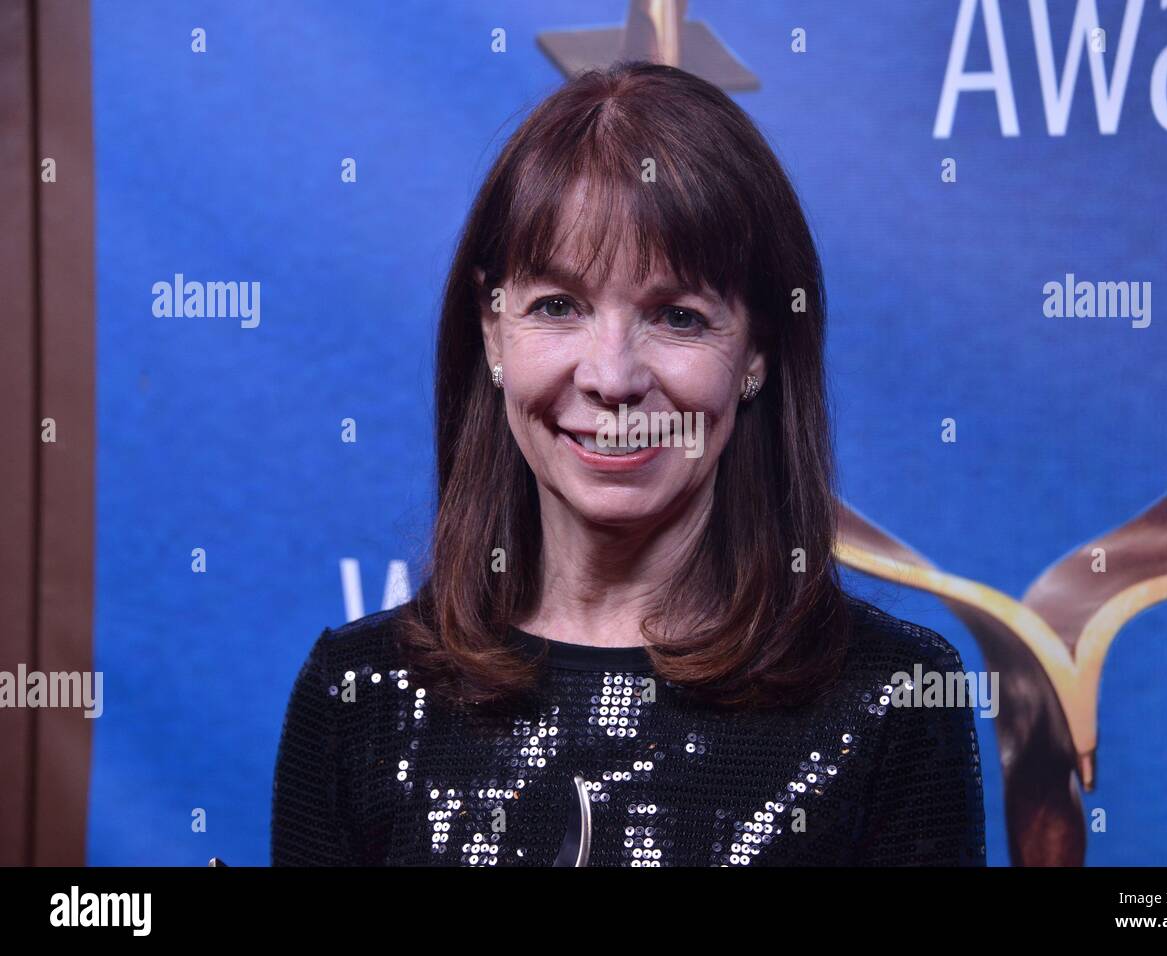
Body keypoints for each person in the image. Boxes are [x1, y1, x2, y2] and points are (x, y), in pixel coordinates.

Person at [271, 61, 985, 866]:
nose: (611, 377)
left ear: (757, 351)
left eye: (678, 316)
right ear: (491, 328)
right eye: (558, 307)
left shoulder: (896, 698)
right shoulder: (358, 695)